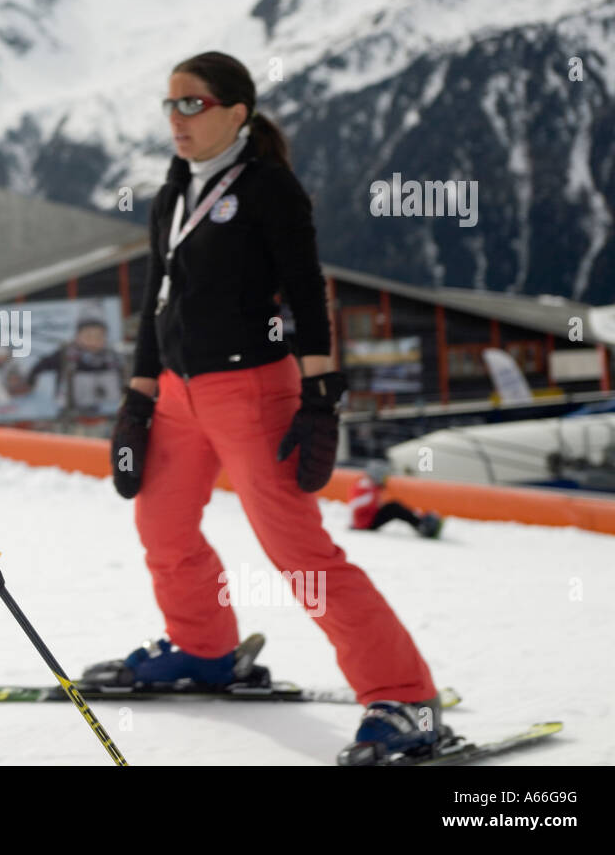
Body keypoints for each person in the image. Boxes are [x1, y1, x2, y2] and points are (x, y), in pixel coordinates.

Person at [100, 52, 446, 764]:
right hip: (176, 393)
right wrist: (139, 395)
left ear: (237, 112)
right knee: (161, 526)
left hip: (252, 390)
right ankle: (203, 650)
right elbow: (157, 297)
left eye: (192, 104)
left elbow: (306, 286)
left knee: (299, 553)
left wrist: (320, 392)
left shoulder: (269, 188)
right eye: (169, 105)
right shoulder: (172, 192)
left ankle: (404, 697)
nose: (177, 119)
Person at [350, 460, 443, 538]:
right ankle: (421, 525)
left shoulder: (371, 486)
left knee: (393, 507)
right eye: (384, 478)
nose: (385, 481)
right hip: (364, 524)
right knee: (394, 507)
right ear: (377, 475)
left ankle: (419, 522)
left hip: (366, 521)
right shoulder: (366, 485)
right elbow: (355, 504)